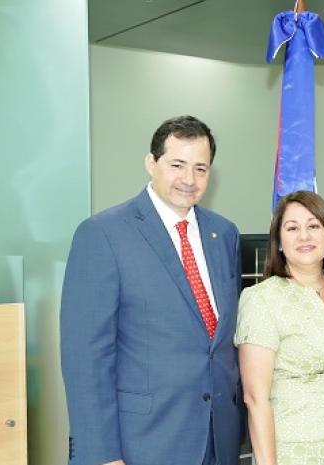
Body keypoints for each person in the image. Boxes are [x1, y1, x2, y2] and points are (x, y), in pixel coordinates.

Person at [60, 115, 242, 465]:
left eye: (201, 169)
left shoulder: (224, 234)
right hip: (142, 444)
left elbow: (220, 342)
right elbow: (85, 357)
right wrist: (101, 454)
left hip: (217, 440)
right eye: (177, 165)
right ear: (151, 163)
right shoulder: (103, 234)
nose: (189, 179)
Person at [236, 190, 324, 465]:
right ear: (278, 241)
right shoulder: (261, 298)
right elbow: (255, 397)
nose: (304, 236)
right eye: (292, 228)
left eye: (313, 226)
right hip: (295, 448)